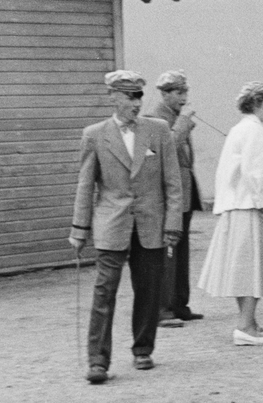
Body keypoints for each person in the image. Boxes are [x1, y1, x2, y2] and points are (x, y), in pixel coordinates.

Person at [69, 70, 183, 384]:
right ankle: (97, 361)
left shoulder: (158, 130)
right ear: (113, 97)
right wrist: (80, 229)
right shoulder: (95, 134)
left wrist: (172, 224)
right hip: (111, 226)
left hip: (151, 226)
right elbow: (85, 186)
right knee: (104, 293)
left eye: (139, 96)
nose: (135, 103)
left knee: (148, 292)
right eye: (129, 96)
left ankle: (143, 349)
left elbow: (172, 183)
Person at [197, 82, 263, 346]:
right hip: (249, 207)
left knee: (245, 268)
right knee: (253, 268)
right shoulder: (254, 130)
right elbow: (253, 171)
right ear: (257, 104)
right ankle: (245, 326)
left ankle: (250, 323)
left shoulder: (241, 128)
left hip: (238, 207)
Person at [148, 70, 204, 327]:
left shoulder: (174, 116)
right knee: (167, 251)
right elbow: (164, 152)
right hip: (168, 194)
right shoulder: (153, 118)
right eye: (179, 92)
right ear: (165, 93)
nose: (184, 97)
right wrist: (182, 124)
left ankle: (180, 304)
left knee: (181, 251)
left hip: (184, 190)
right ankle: (163, 308)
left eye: (185, 92)